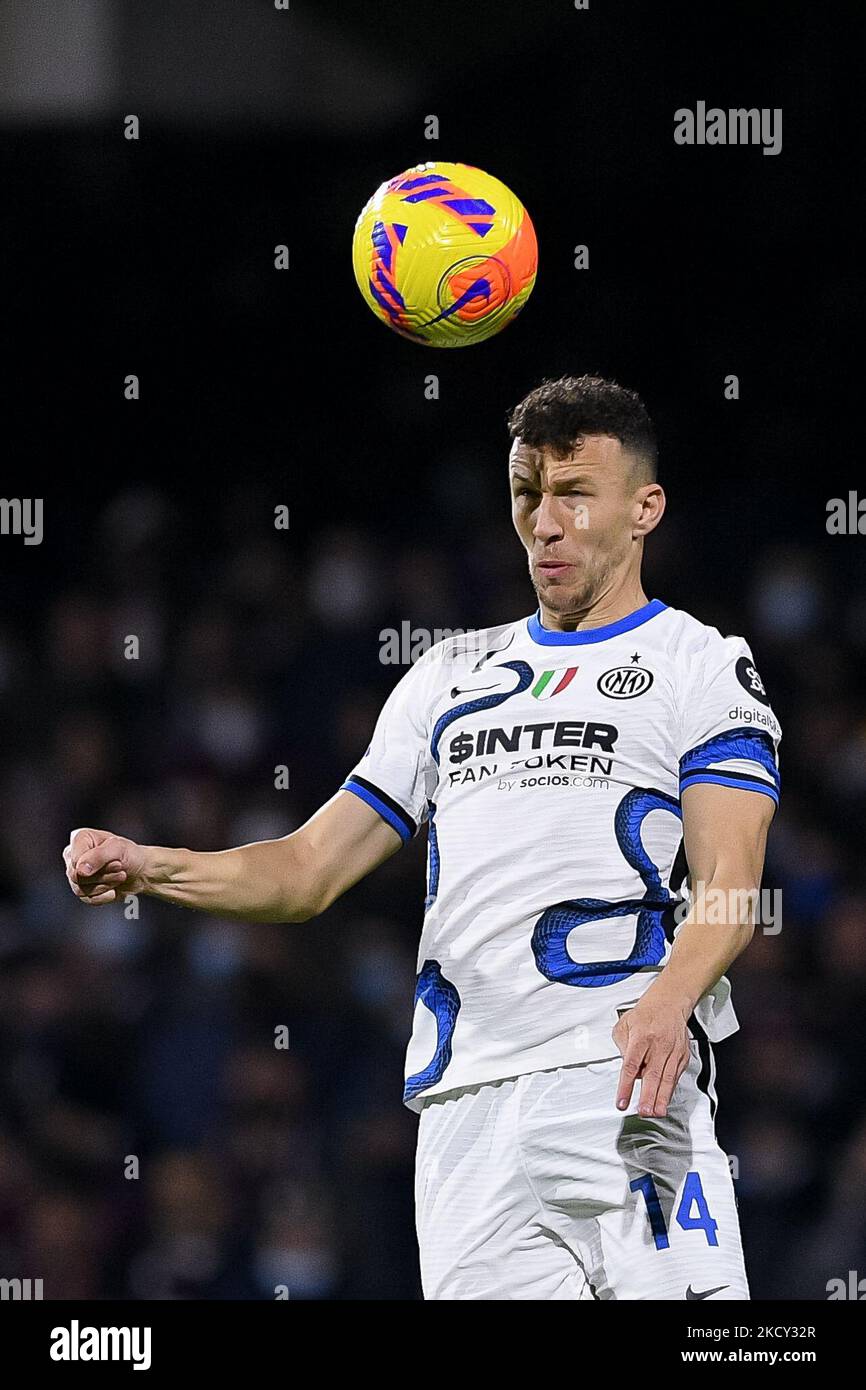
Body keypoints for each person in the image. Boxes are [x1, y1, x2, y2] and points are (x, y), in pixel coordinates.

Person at [64, 375, 781, 1301]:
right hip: (463, 1114)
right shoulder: (448, 673)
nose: (546, 524)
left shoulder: (700, 662)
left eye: (575, 495)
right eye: (528, 495)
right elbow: (307, 869)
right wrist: (152, 867)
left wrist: (671, 998)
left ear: (645, 508)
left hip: (620, 1083)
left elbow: (731, 875)